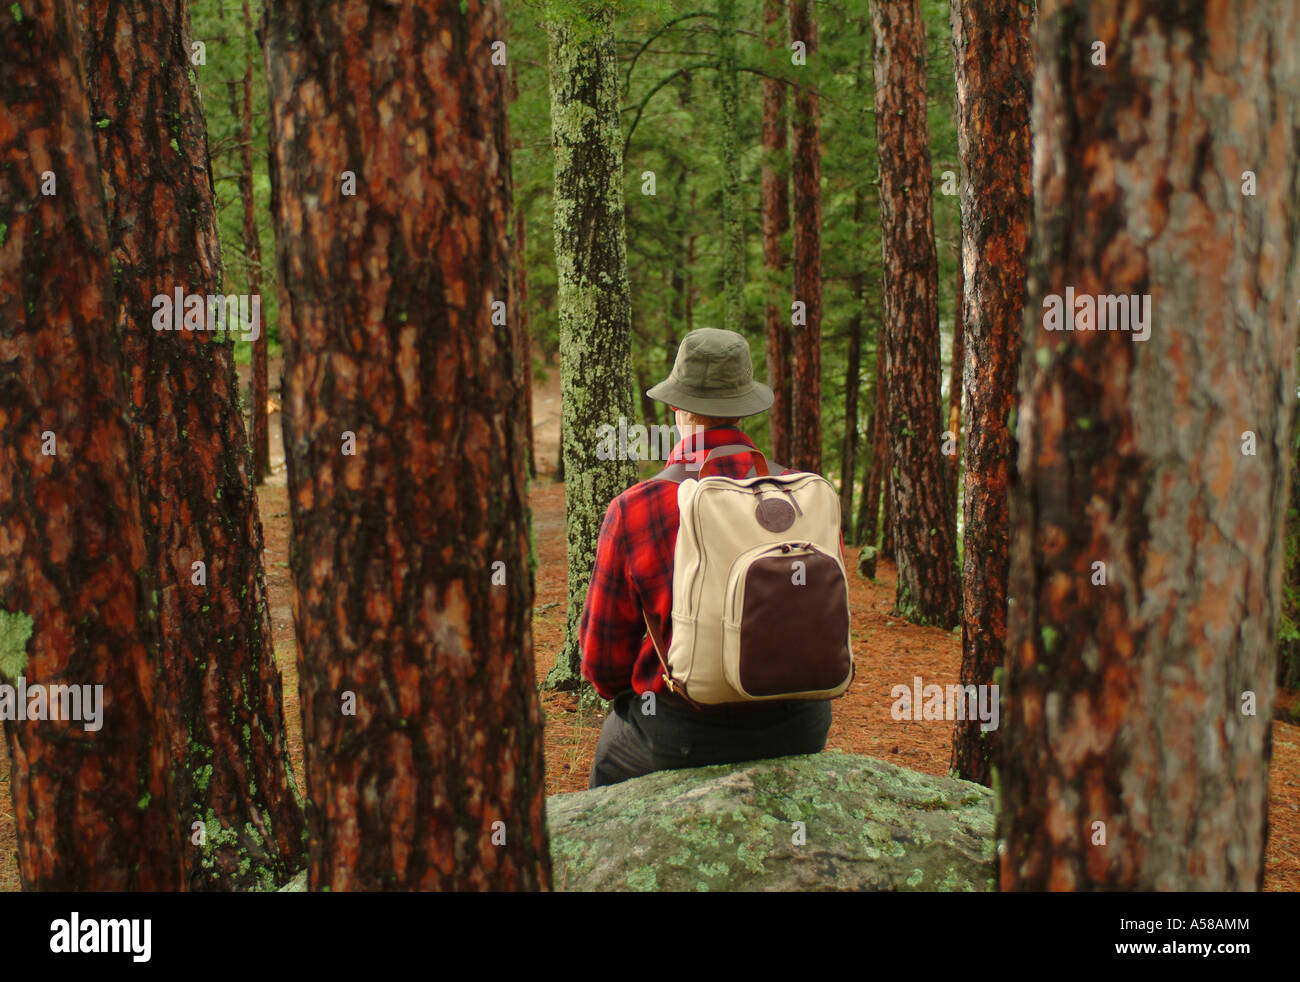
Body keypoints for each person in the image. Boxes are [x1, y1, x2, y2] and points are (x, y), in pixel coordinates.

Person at [579, 327, 833, 788]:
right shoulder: (802, 492)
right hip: (800, 726)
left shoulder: (637, 508)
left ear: (677, 408)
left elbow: (603, 667)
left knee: (609, 765)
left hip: (683, 733)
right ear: (745, 408)